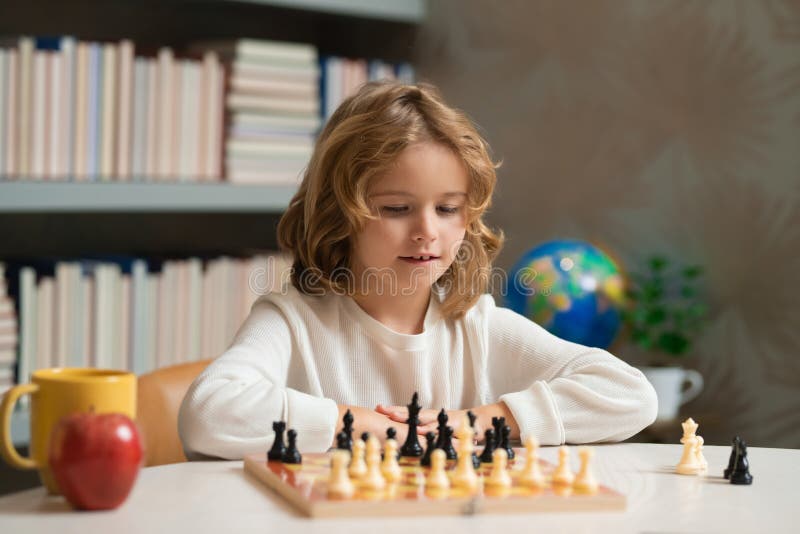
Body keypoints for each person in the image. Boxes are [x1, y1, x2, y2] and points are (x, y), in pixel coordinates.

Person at [178, 81, 657, 460]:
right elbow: (207, 414)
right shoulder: (292, 322)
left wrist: (482, 420)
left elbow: (632, 396)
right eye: (395, 208)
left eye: (448, 208)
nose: (426, 231)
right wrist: (364, 424)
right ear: (339, 213)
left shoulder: (479, 328)